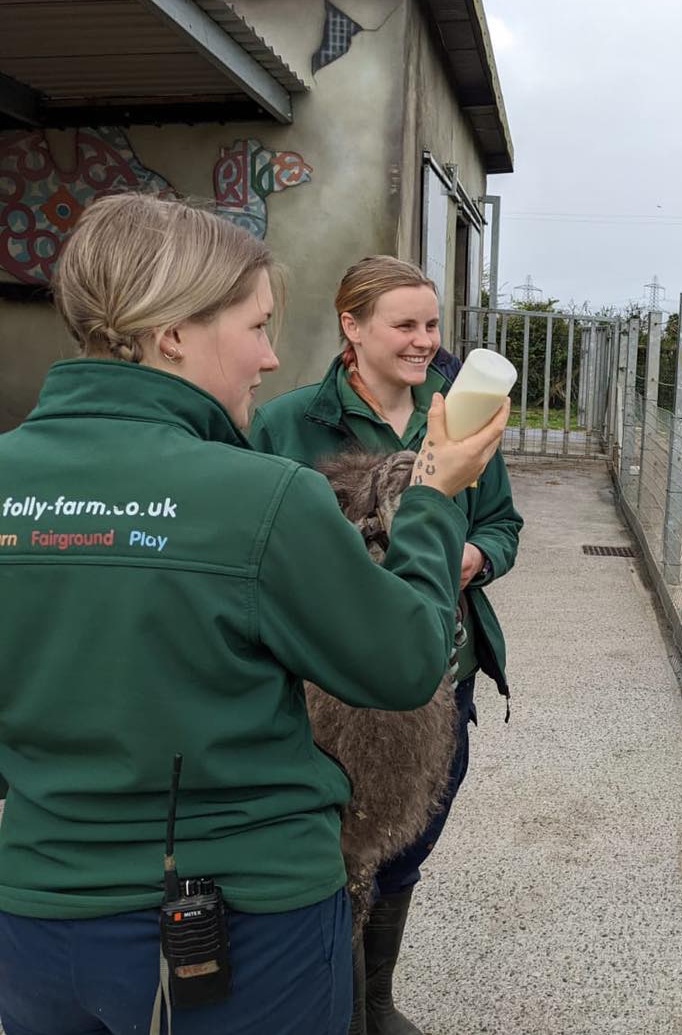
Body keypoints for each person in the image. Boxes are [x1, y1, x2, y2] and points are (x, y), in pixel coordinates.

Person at [0, 194, 509, 1035]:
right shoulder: (264, 495)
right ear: (172, 335)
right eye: (257, 327)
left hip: (36, 922)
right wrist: (433, 500)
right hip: (241, 925)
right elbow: (406, 659)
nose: (272, 359)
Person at [249, 256, 522, 1035]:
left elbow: (502, 524)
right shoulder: (286, 423)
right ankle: (334, 1003)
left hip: (442, 674)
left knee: (406, 843)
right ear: (352, 326)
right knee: (334, 847)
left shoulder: (460, 413)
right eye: (404, 324)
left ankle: (375, 998)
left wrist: (474, 556)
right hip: (325, 687)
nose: (424, 341)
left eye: (432, 325)